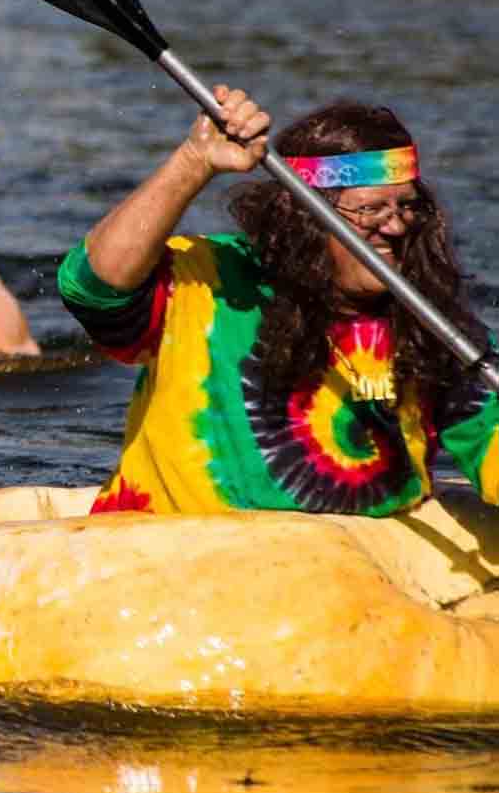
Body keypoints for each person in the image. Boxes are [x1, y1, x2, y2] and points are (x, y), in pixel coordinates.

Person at [59, 87, 499, 517]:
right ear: (303, 221)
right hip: (177, 552)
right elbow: (93, 286)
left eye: (406, 207)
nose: (397, 228)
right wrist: (193, 162)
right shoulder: (209, 281)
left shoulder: (436, 326)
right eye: (370, 210)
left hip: (356, 561)